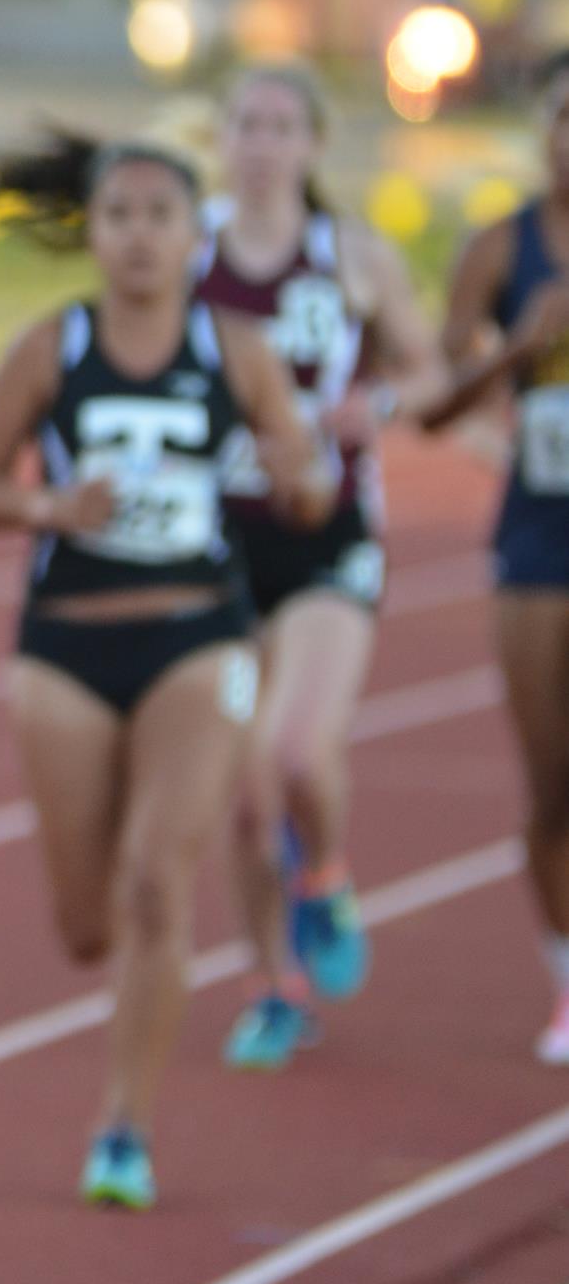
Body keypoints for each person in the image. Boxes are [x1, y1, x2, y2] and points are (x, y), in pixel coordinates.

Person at [0, 132, 332, 1208]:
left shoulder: (236, 348)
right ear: (93, 228)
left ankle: (123, 1126)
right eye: (118, 214)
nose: (137, 235)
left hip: (197, 635)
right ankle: (120, 967)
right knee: (87, 923)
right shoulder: (51, 344)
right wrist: (47, 505)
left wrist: (302, 474)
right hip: (65, 641)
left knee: (160, 880)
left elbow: (303, 492)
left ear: (192, 232)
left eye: (160, 215)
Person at [192, 63, 449, 1069]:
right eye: (244, 123)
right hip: (215, 540)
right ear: (223, 137)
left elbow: (425, 371)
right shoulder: (189, 252)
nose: (259, 143)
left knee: (294, 752)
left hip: (328, 532)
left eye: (279, 126)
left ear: (311, 145)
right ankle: (269, 986)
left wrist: (371, 408)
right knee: (247, 790)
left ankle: (327, 873)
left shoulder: (351, 254)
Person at [423, 51, 569, 1065]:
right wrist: (520, 349)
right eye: (563, 116)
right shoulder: (497, 247)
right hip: (537, 533)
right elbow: (435, 405)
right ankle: (566, 978)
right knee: (551, 776)